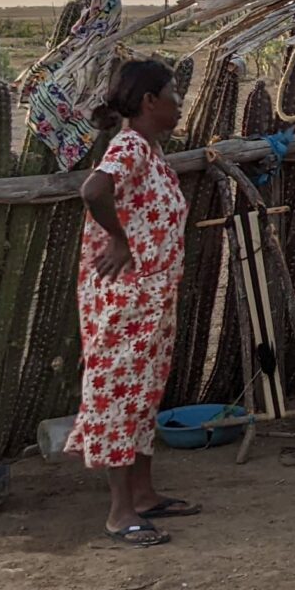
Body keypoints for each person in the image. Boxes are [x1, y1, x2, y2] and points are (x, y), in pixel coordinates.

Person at [73, 58, 199, 545]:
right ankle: (119, 511)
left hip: (151, 298)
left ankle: (144, 496)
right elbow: (94, 190)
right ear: (150, 102)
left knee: (144, 393)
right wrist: (119, 241)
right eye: (172, 94)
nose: (178, 102)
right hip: (125, 300)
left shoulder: (150, 151)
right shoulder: (129, 146)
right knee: (118, 396)